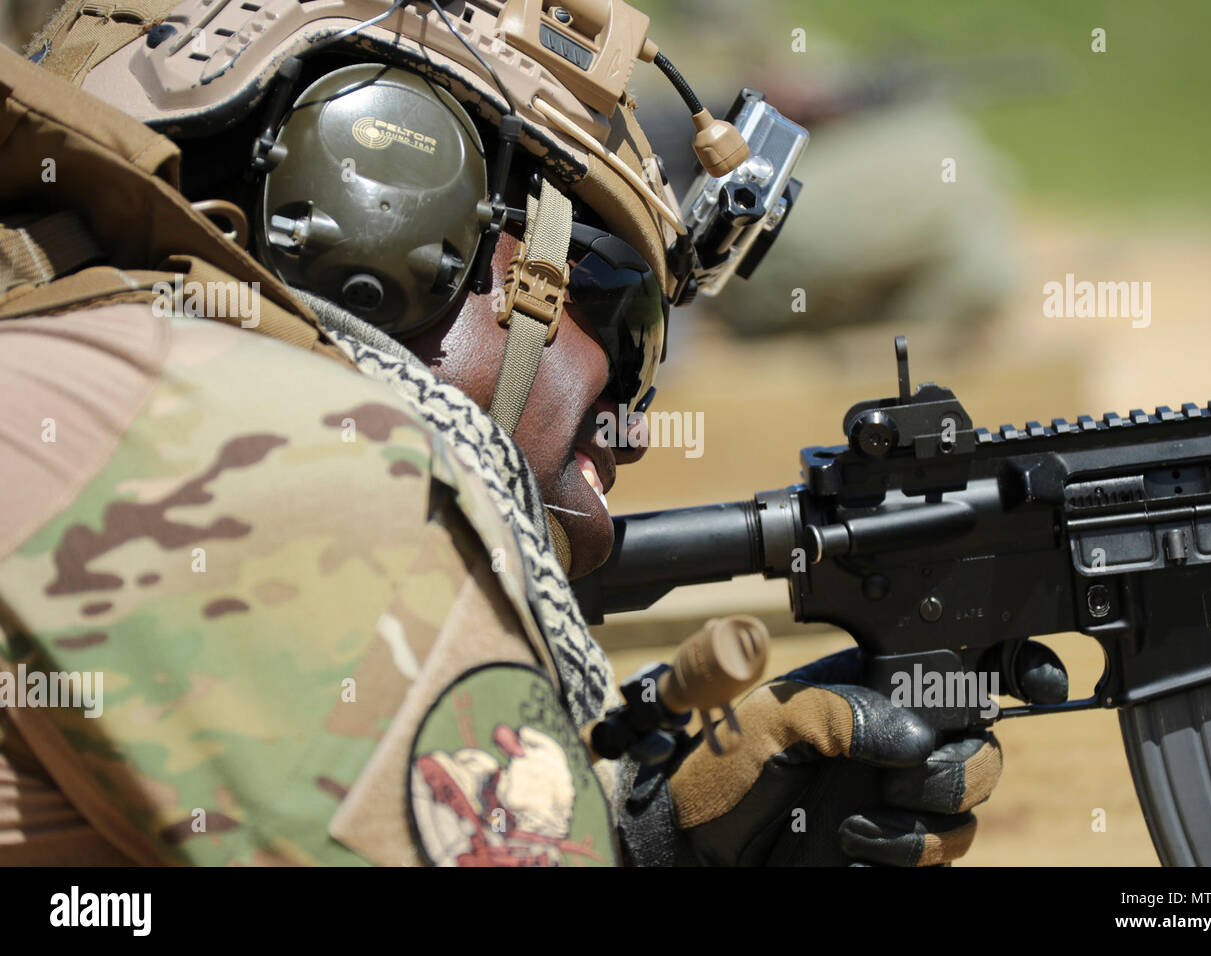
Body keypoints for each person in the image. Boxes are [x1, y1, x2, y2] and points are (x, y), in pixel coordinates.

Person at [0, 0, 1008, 866]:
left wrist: (659, 844)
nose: (637, 430)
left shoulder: (92, 381)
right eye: (625, 321)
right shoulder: (262, 466)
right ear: (392, 234)